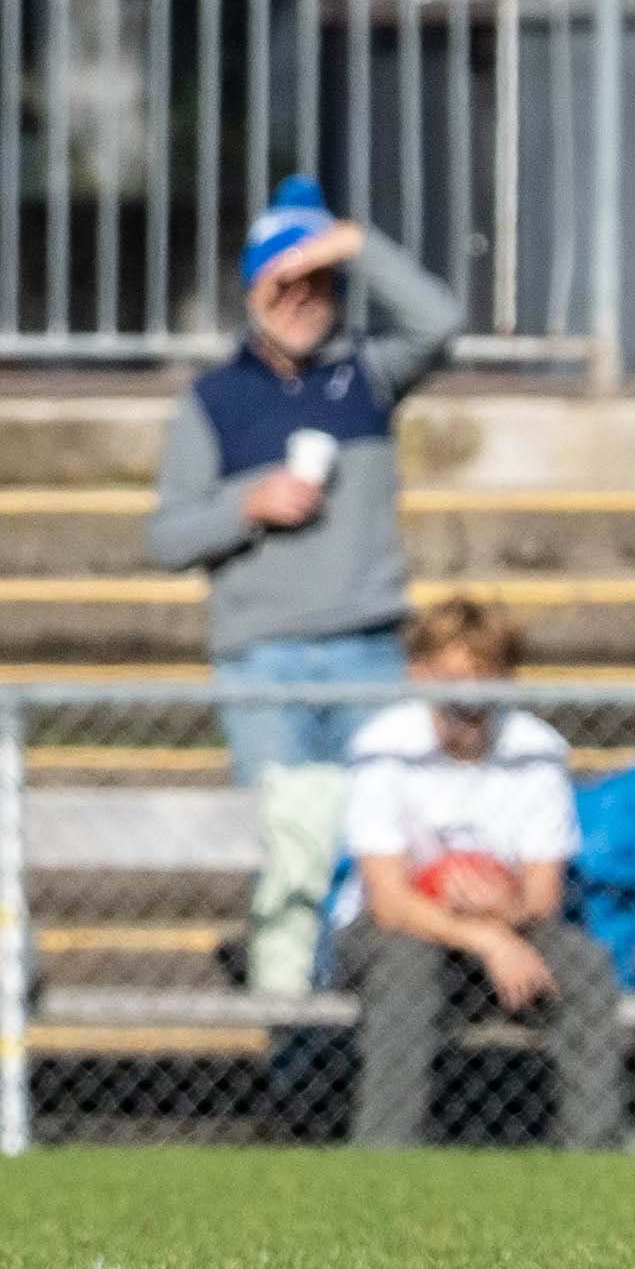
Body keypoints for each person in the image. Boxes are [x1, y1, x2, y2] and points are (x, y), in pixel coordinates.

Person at [147, 173, 463, 995]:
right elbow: (168, 537)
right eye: (286, 283)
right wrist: (244, 506)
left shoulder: (366, 377)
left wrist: (355, 242)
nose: (304, 301)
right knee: (293, 853)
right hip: (264, 663)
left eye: (320, 283)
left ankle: (362, 1034)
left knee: (373, 852)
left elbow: (440, 319)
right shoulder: (213, 401)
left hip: (367, 653)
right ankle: (294, 1040)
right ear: (254, 290)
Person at [334, 600, 624, 1148]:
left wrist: (503, 911)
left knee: (583, 966)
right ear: (419, 676)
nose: (469, 703)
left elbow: (542, 898)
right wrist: (488, 937)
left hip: (508, 923)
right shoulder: (383, 747)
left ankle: (596, 1154)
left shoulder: (536, 750)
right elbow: (388, 902)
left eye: (484, 683)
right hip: (394, 930)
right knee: (406, 964)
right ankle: (384, 1155)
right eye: (452, 683)